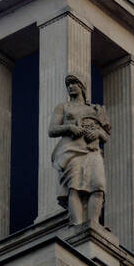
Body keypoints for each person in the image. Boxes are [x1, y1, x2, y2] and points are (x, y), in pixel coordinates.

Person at [49, 73, 109, 224]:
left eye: (74, 83)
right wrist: (70, 127)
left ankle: (93, 224)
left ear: (82, 86)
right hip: (71, 151)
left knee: (98, 186)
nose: (70, 87)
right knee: (74, 186)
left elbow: (105, 134)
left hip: (92, 150)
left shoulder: (96, 109)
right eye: (68, 84)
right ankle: (76, 224)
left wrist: (97, 133)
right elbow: (52, 130)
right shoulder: (63, 107)